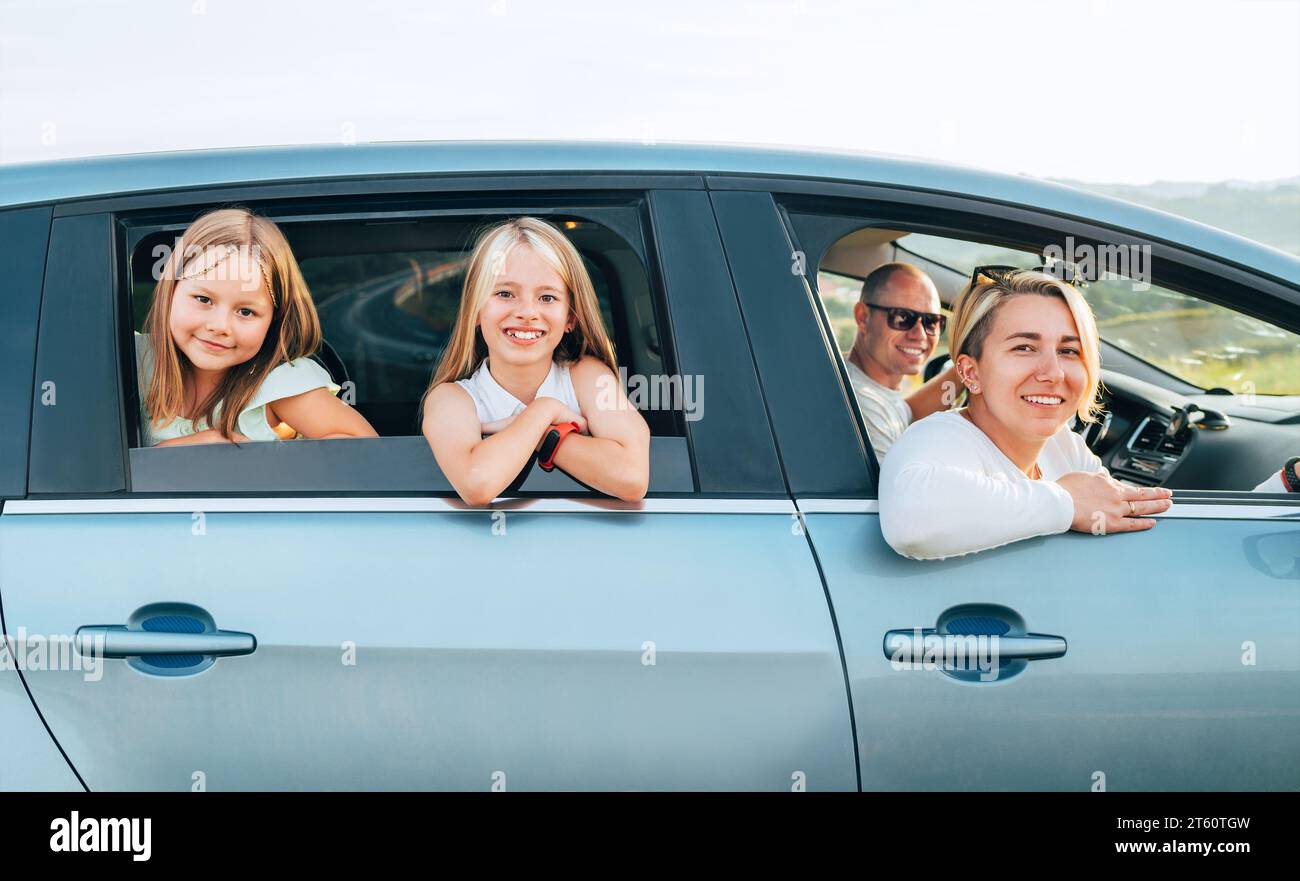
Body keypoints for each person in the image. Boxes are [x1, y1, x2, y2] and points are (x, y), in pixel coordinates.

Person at [878, 267, 1296, 561]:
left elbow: (1143, 528)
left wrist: (1287, 484)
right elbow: (911, 520)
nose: (1052, 373)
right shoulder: (941, 438)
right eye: (1023, 347)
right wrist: (1065, 502)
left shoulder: (1064, 447)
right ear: (971, 372)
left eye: (1068, 350)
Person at [421, 217, 649, 505]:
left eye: (547, 297)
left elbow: (631, 477)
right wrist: (545, 411)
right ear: (475, 310)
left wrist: (540, 432)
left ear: (570, 317)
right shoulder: (451, 399)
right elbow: (477, 483)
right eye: (505, 293)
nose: (527, 312)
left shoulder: (587, 377)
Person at [137, 207, 377, 446]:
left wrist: (254, 461)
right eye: (203, 300)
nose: (220, 326)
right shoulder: (132, 359)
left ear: (274, 321)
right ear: (171, 291)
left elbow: (365, 451)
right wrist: (194, 445)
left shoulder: (276, 382)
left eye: (246, 312)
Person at [843, 263, 961, 460]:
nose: (919, 334)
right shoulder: (861, 404)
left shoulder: (870, 390)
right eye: (902, 317)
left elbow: (908, 413)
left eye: (931, 321)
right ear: (863, 317)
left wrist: (963, 372)